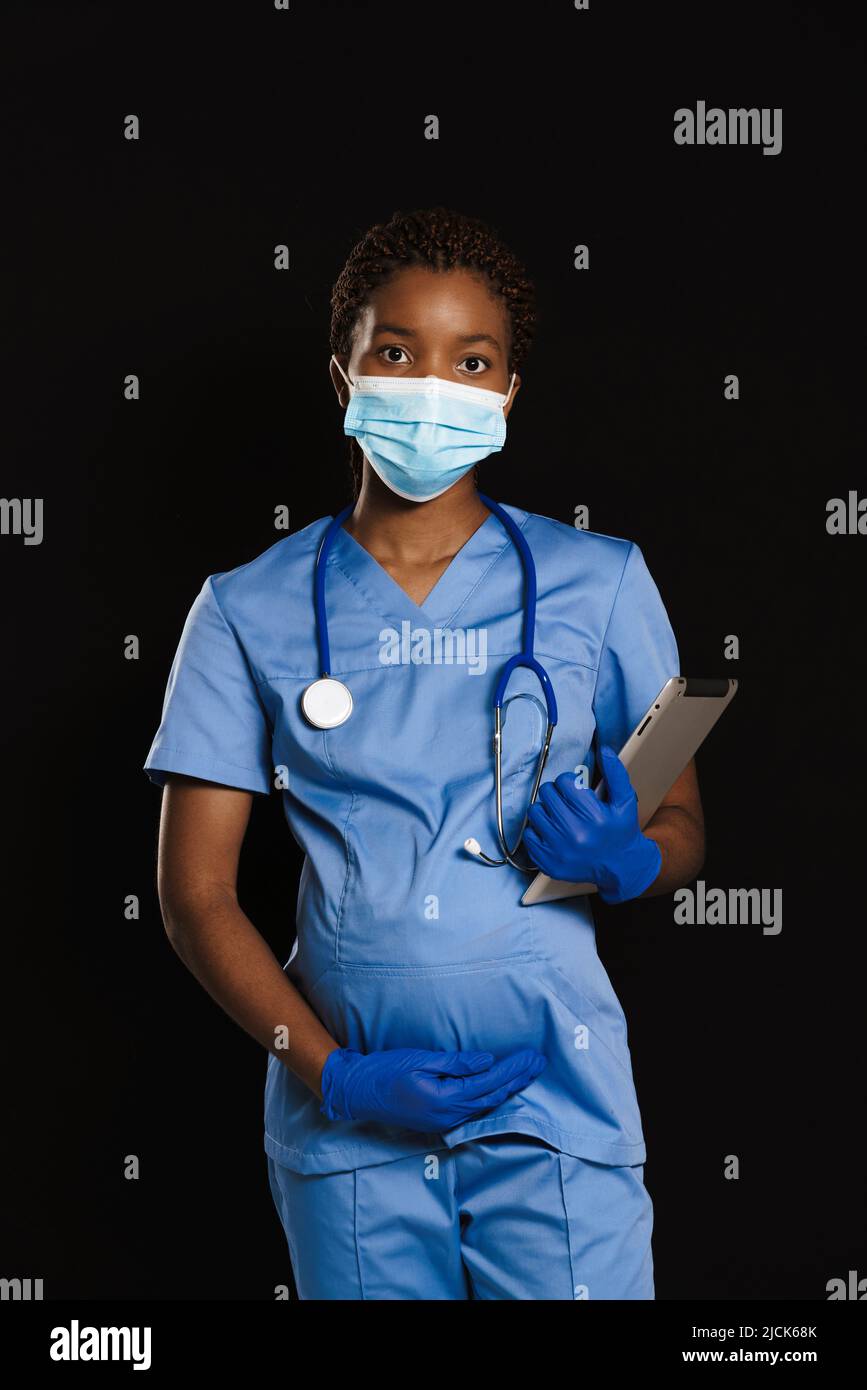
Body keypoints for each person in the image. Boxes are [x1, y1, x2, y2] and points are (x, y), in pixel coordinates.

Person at [144, 206, 705, 1301]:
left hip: (556, 1104)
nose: (433, 384)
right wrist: (335, 1073)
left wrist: (631, 860)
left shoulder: (603, 581)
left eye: (473, 359)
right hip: (347, 1126)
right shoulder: (244, 607)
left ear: (507, 393)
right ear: (345, 371)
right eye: (397, 351)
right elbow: (194, 893)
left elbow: (682, 825)